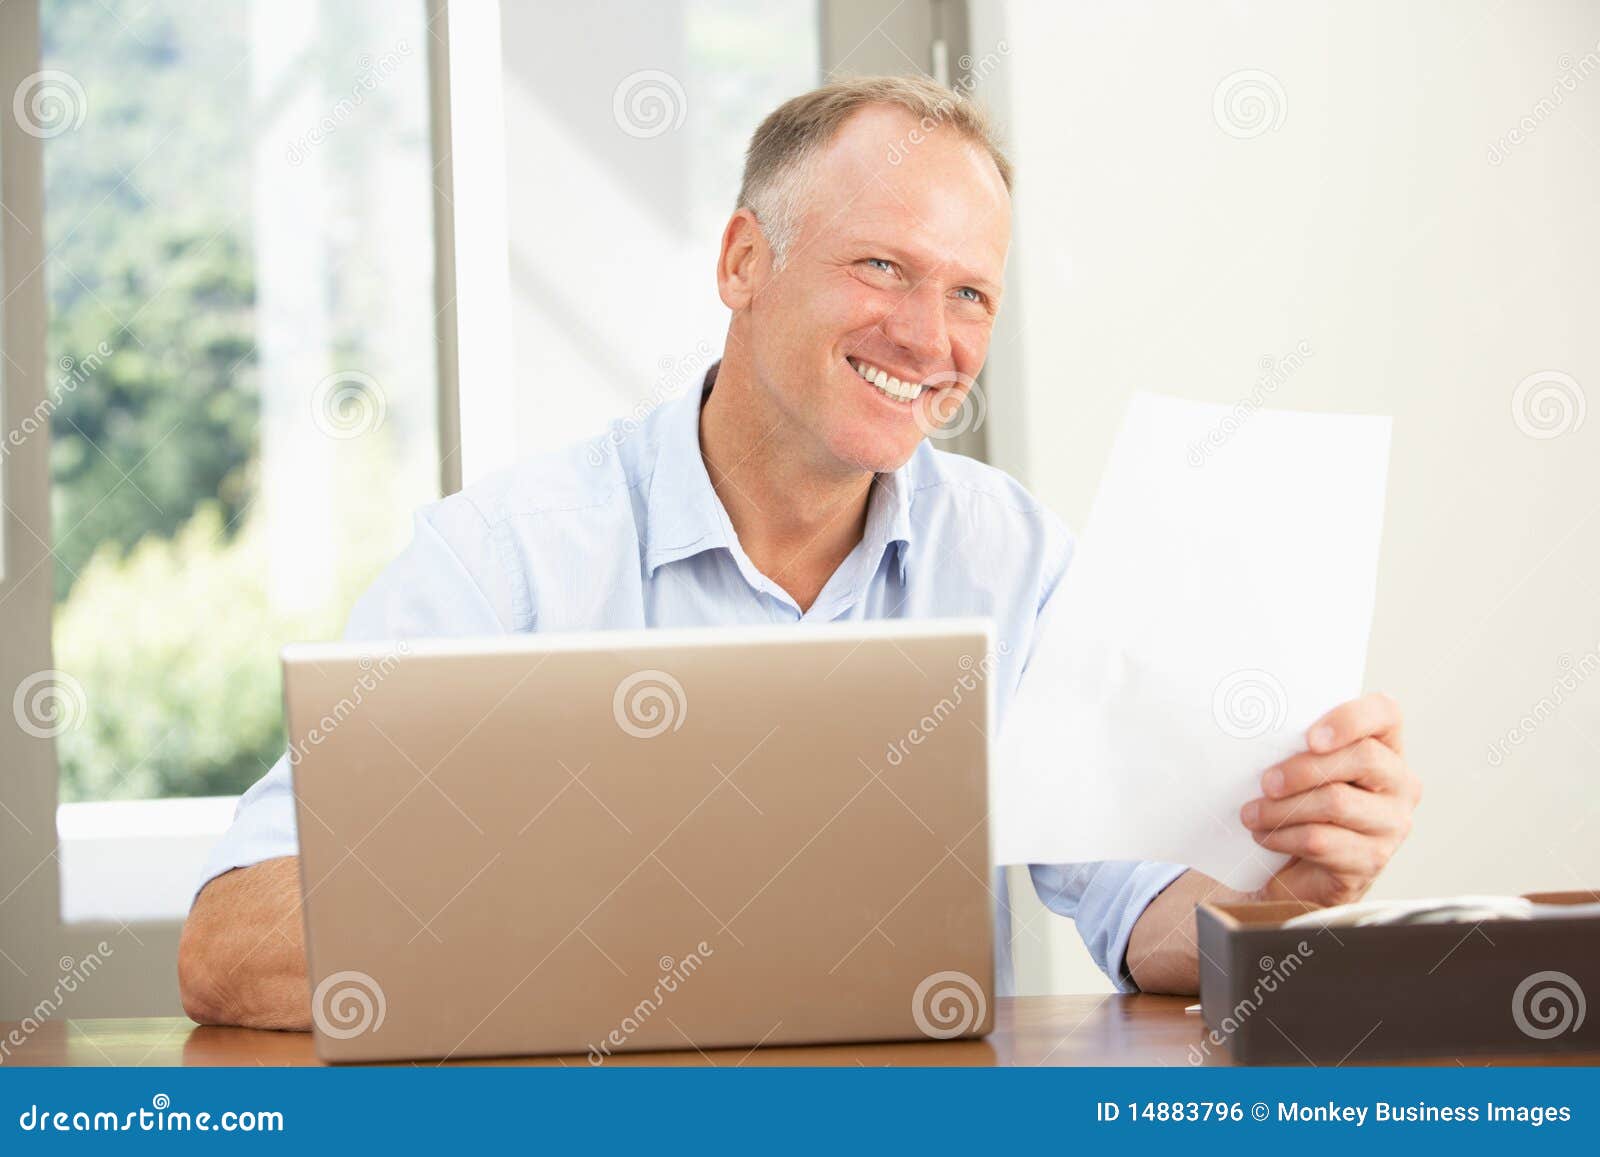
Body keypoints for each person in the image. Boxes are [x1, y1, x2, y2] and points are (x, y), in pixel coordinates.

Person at [179, 76, 1420, 1030]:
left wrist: (1286, 889)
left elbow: (1141, 911)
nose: (928, 337)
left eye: (970, 293)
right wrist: (625, 920)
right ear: (743, 261)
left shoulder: (1013, 558)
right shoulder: (504, 560)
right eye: (880, 264)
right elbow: (231, 944)